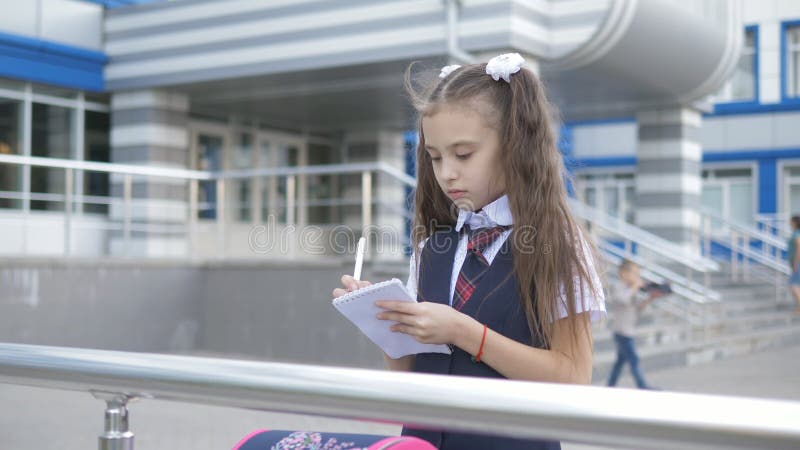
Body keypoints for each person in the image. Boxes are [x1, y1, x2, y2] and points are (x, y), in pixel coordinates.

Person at [332, 54, 605, 450]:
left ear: (515, 145)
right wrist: (387, 326)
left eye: (463, 155)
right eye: (435, 157)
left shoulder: (558, 242)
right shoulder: (431, 247)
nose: (446, 173)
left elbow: (573, 378)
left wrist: (465, 333)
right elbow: (414, 378)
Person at [605, 259, 667, 390]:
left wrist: (651, 298)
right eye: (635, 273)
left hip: (628, 330)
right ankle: (642, 386)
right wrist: (634, 287)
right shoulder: (618, 287)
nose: (637, 277)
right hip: (621, 332)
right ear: (623, 273)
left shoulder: (631, 290)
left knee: (619, 363)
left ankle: (610, 386)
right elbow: (622, 300)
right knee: (633, 359)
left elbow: (638, 307)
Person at [787, 215, 800, 314]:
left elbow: (799, 248)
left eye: (790, 221)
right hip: (796, 263)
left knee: (793, 285)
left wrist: (796, 263)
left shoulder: (796, 234)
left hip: (798, 263)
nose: (789, 223)